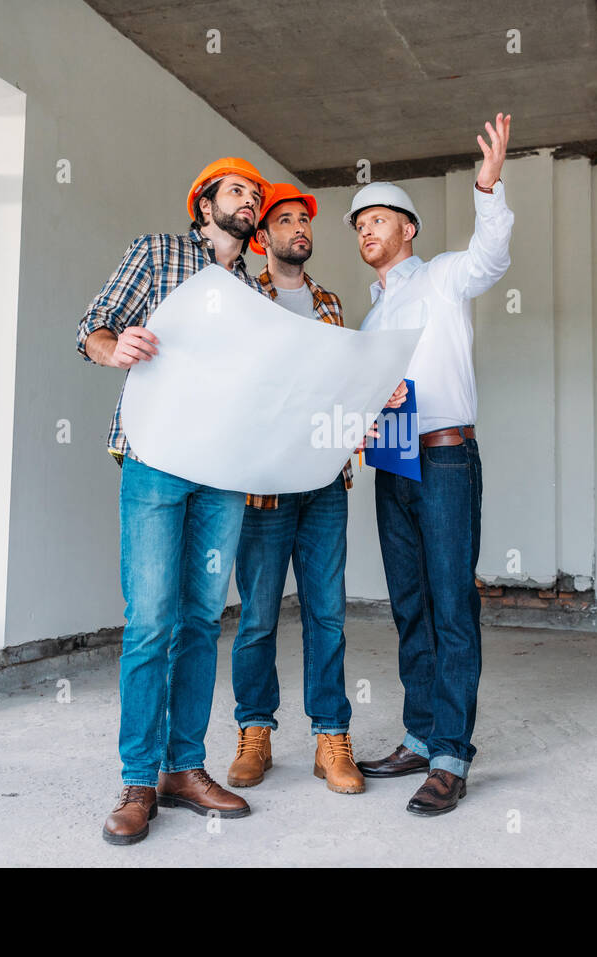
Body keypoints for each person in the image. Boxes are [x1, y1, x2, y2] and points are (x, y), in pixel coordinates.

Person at [77, 157, 272, 845]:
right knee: (152, 619)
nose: (250, 201)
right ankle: (137, 779)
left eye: (256, 196)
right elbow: (93, 327)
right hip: (155, 458)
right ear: (205, 203)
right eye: (238, 191)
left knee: (199, 618)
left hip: (220, 468)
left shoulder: (255, 291)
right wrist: (114, 346)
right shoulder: (157, 254)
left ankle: (183, 768)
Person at [349, 113, 514, 816]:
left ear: (407, 229)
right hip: (393, 466)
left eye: (379, 220)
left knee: (452, 604)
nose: (367, 232)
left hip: (446, 458)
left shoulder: (444, 277)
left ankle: (451, 753)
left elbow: (492, 256)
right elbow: (361, 396)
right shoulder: (370, 319)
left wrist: (488, 185)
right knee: (410, 605)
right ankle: (419, 735)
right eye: (359, 225)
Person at [226, 183, 391, 796]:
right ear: (262, 237)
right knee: (258, 620)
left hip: (325, 483)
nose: (300, 228)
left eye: (305, 220)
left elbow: (342, 386)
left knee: (327, 614)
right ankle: (254, 730)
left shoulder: (329, 302)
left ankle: (331, 736)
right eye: (286, 221)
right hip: (264, 485)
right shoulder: (244, 298)